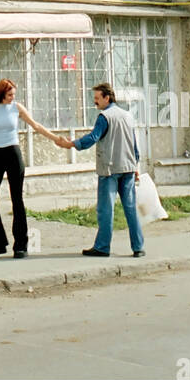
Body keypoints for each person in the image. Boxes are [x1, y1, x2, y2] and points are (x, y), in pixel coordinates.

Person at [0, 78, 58, 259]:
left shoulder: (16, 108)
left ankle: (21, 245)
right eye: (10, 94)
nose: (13, 97)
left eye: (14, 95)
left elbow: (35, 125)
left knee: (16, 199)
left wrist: (56, 139)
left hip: (13, 153)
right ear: (1, 94)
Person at [57, 83, 144, 258]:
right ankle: (138, 247)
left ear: (107, 97)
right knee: (130, 208)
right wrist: (136, 166)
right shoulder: (127, 116)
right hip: (127, 167)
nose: (95, 103)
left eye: (97, 99)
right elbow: (134, 144)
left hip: (109, 169)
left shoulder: (104, 117)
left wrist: (71, 144)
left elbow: (93, 138)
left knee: (106, 210)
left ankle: (103, 247)